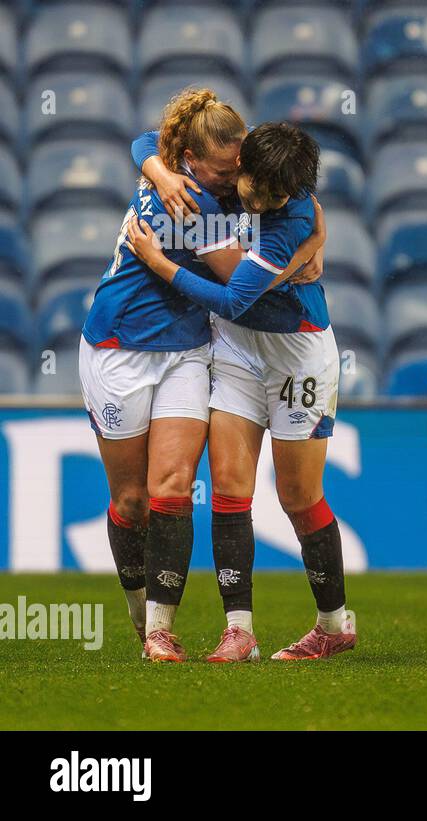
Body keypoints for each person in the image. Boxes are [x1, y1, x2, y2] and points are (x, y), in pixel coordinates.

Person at [80, 89, 322, 661]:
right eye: (225, 167)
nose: (240, 175)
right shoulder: (193, 203)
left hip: (188, 350)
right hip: (118, 345)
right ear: (190, 160)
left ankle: (160, 631)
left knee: (170, 488)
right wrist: (304, 248)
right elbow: (241, 289)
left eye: (240, 162)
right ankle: (140, 608)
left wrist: (316, 234)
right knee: (132, 499)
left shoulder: (192, 172)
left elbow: (149, 140)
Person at [127, 122, 353, 663]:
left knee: (299, 498)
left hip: (296, 354)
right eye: (255, 184)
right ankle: (239, 631)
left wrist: (159, 263)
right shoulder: (240, 158)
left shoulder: (290, 218)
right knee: (228, 487)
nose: (258, 198)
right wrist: (159, 172)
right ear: (242, 159)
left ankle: (333, 624)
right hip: (235, 353)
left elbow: (232, 300)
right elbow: (149, 138)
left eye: (275, 195)